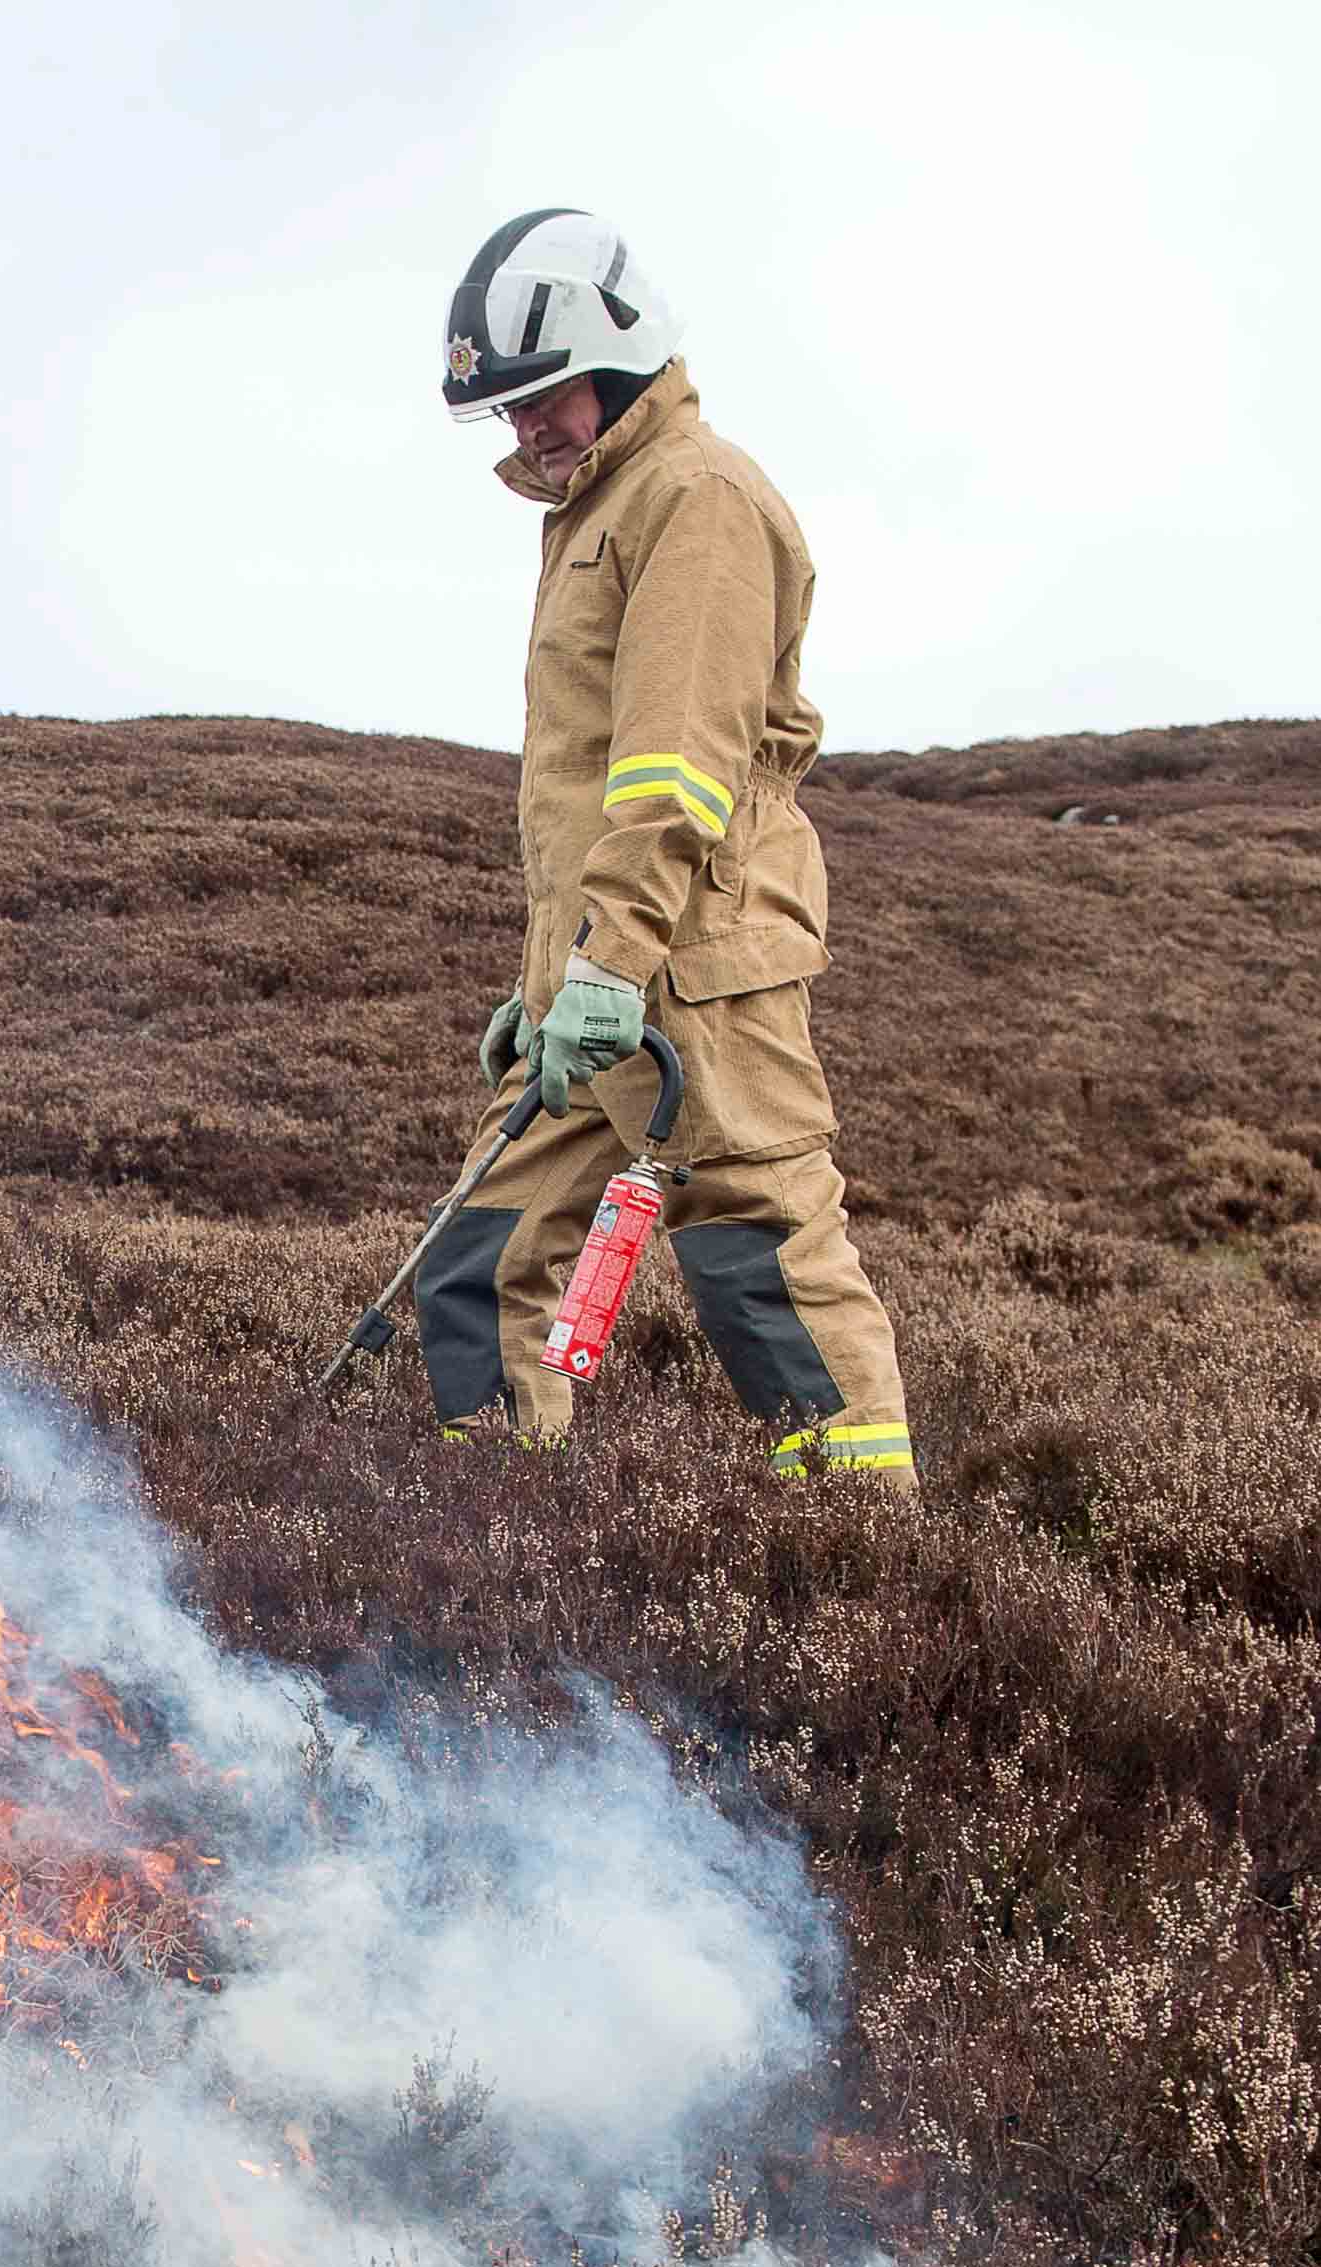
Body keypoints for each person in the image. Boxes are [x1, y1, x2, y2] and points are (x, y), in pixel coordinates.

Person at [421, 212, 914, 1484]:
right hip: (605, 972)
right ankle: (491, 1534)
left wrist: (608, 959)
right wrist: (549, 979)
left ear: (622, 358)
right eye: (507, 410)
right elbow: (592, 788)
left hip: (697, 966)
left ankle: (866, 1561)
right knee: (479, 1254)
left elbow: (673, 768)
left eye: (544, 395)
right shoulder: (605, 506)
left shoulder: (695, 499)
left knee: (757, 1242)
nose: (527, 427)